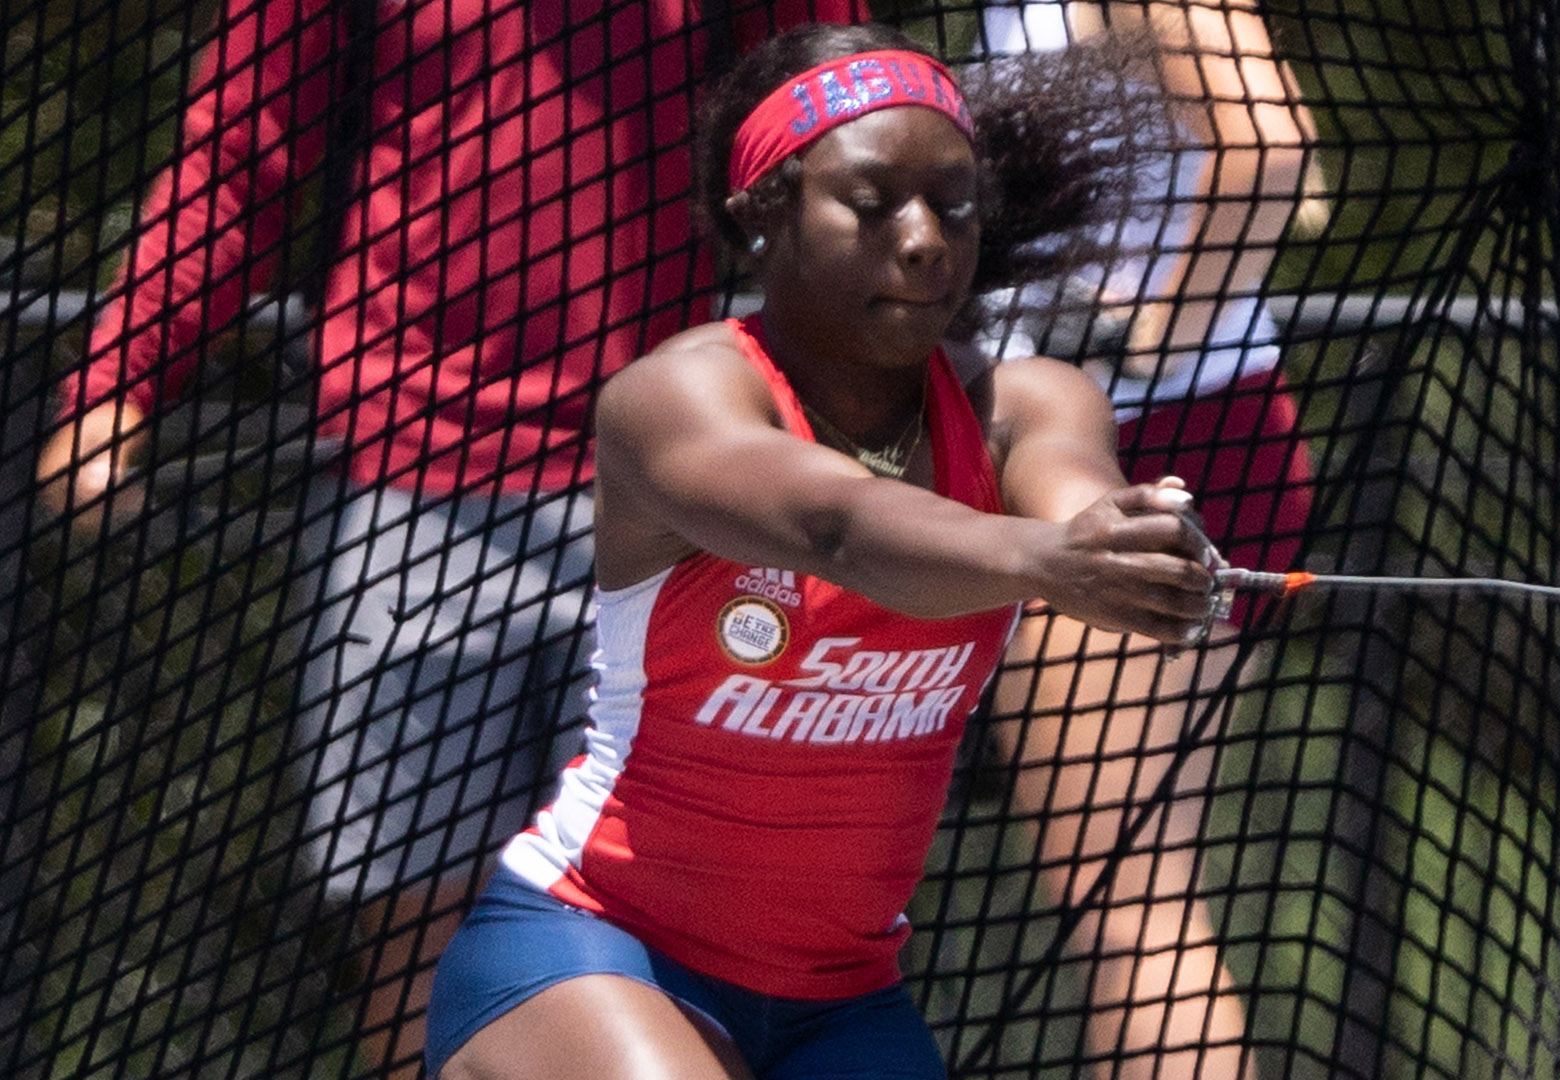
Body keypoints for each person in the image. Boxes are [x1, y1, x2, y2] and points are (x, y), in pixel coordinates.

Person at [34, 0, 859, 1074]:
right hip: (413, 495)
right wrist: (118, 383)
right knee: (415, 934)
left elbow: (831, 122)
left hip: (668, 493)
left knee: (687, 941)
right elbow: (241, 152)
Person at [422, 21, 1220, 1079]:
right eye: (875, 200)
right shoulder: (679, 397)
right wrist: (1050, 556)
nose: (927, 237)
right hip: (595, 950)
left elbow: (1076, 496)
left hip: (841, 1006)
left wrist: (1123, 543)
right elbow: (834, 524)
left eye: (954, 200)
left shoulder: (1027, 402)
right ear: (767, 215)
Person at [974, 3, 1321, 1076]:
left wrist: (1142, 342)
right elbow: (1306, 196)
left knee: (1131, 902)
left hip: (1160, 450)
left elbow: (1275, 154)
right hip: (1139, 443)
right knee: (1122, 900)